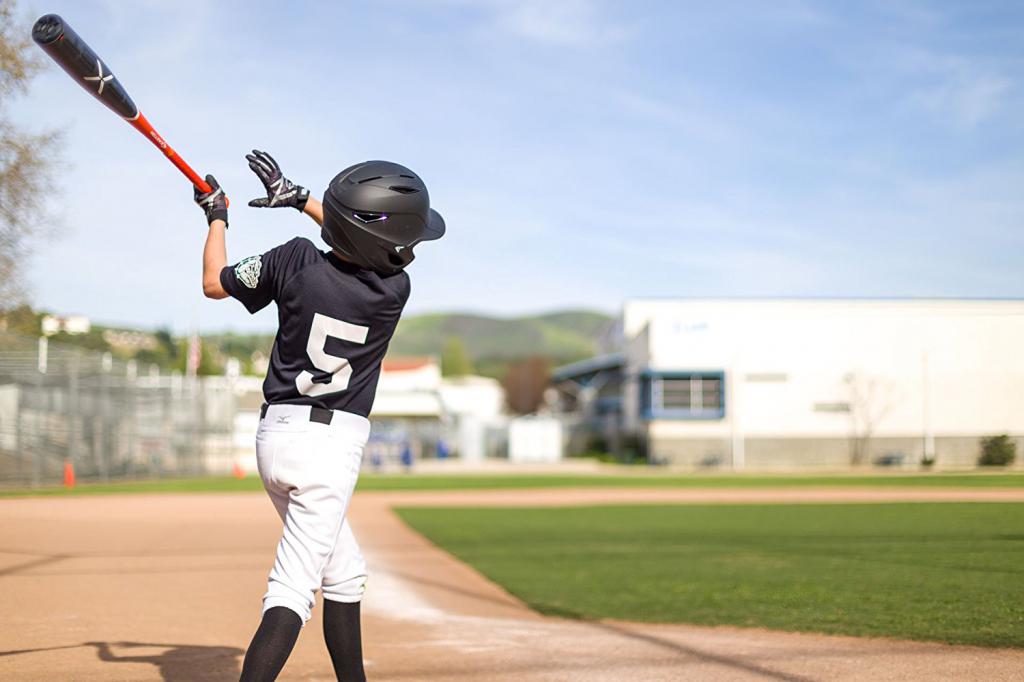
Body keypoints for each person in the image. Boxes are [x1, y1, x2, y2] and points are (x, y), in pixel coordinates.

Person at [195, 150, 445, 681]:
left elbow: (215, 282)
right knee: (290, 592)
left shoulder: (294, 260)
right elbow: (367, 246)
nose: (409, 251)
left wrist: (217, 215)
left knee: (346, 572)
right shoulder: (392, 292)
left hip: (274, 438)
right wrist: (301, 198)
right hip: (328, 454)